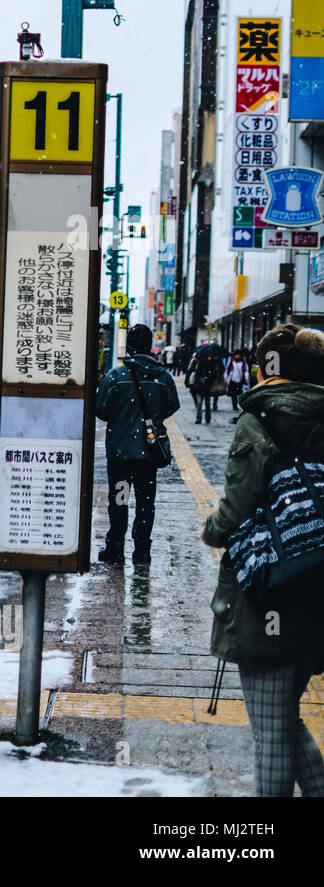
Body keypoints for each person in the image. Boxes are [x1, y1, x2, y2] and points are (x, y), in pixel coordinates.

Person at [202, 323, 324, 797]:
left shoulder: (262, 419)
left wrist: (211, 529)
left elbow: (236, 508)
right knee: (286, 719)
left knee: (271, 736)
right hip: (315, 587)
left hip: (272, 589)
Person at [95, 323, 181, 565]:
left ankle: (116, 547)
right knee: (145, 502)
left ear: (129, 347)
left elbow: (101, 410)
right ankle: (142, 550)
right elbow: (171, 406)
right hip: (149, 453)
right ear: (150, 346)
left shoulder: (115, 376)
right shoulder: (162, 376)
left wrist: (121, 416)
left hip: (121, 453)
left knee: (120, 500)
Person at [186, 344, 221, 424]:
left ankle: (201, 419)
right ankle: (204, 419)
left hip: (203, 387)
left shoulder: (203, 363)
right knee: (204, 403)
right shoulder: (201, 363)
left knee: (202, 404)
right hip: (203, 387)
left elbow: (192, 372)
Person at [225, 350, 250, 419]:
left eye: (239, 355)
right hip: (233, 379)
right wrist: (226, 376)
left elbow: (246, 370)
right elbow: (228, 369)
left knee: (239, 393)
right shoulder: (232, 361)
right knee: (233, 394)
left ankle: (239, 404)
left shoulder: (243, 362)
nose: (237, 356)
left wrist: (246, 377)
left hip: (240, 380)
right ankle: (234, 405)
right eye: (236, 355)